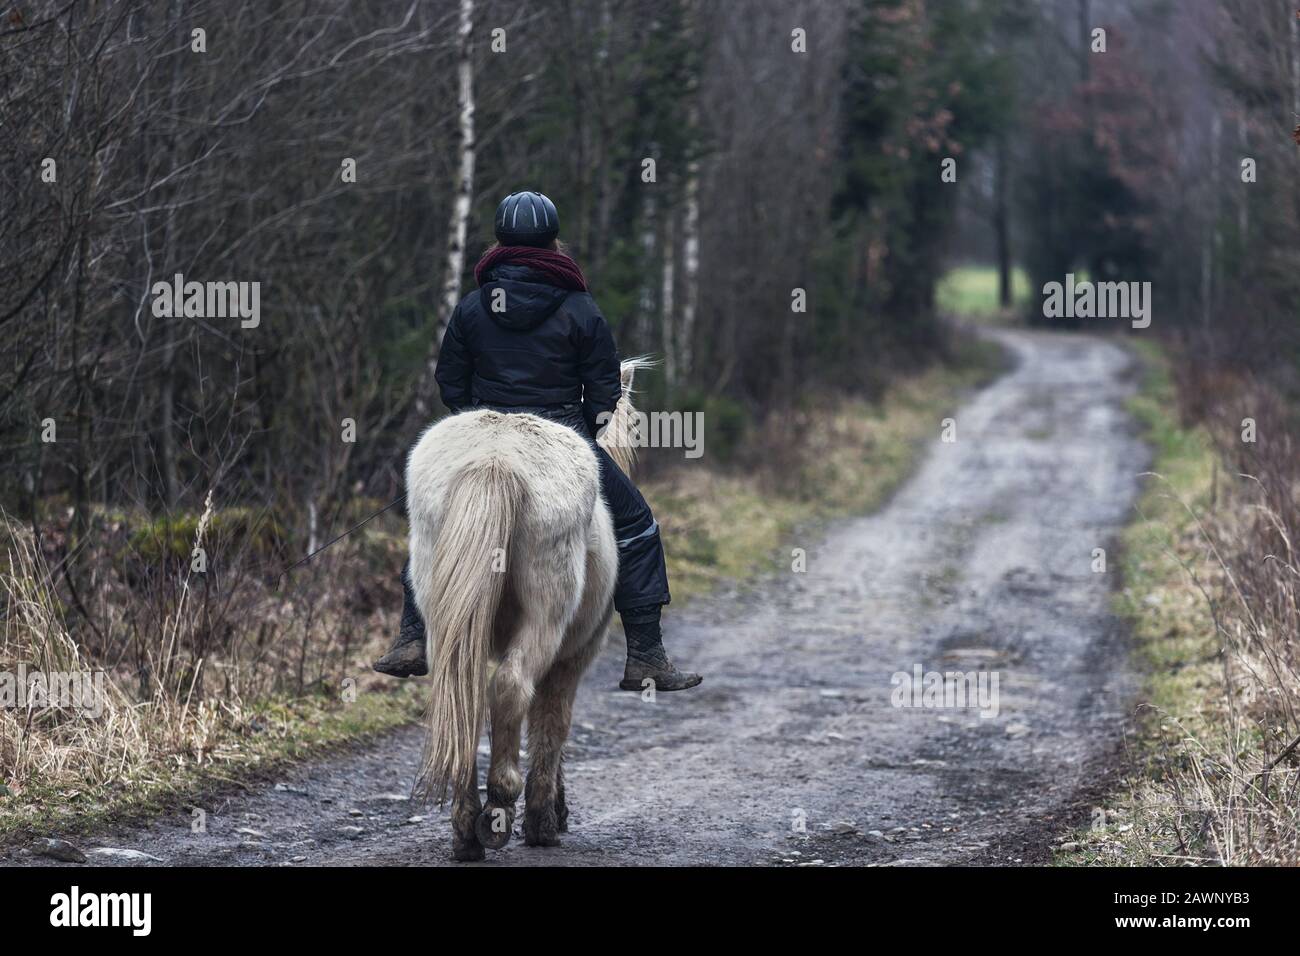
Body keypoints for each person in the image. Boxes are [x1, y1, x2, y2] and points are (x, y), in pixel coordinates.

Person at [373, 190, 702, 692]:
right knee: (637, 526)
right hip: (562, 433)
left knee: (433, 525)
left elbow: (450, 383)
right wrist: (582, 437)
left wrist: (476, 428)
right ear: (554, 242)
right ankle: (646, 656)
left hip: (482, 432)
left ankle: (413, 637)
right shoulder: (579, 307)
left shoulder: (472, 307)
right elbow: (606, 391)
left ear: (499, 242)